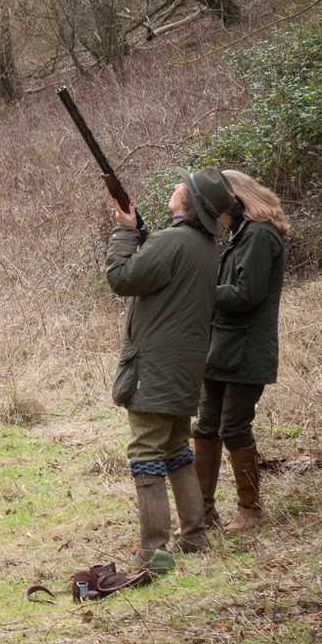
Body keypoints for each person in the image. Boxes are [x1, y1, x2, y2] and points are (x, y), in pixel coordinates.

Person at [106, 167, 239, 573]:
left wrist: (126, 233)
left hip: (156, 367)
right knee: (176, 450)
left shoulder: (171, 241)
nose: (178, 186)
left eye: (184, 186)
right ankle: (195, 535)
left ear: (189, 205)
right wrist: (143, 236)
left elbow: (121, 278)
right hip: (185, 368)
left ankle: (154, 551)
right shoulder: (203, 245)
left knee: (145, 451)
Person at [194, 170, 288, 533]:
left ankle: (249, 510)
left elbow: (247, 295)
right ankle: (203, 511)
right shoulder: (242, 234)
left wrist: (199, 292)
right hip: (222, 347)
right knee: (206, 427)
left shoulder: (260, 236)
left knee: (234, 427)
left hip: (247, 349)